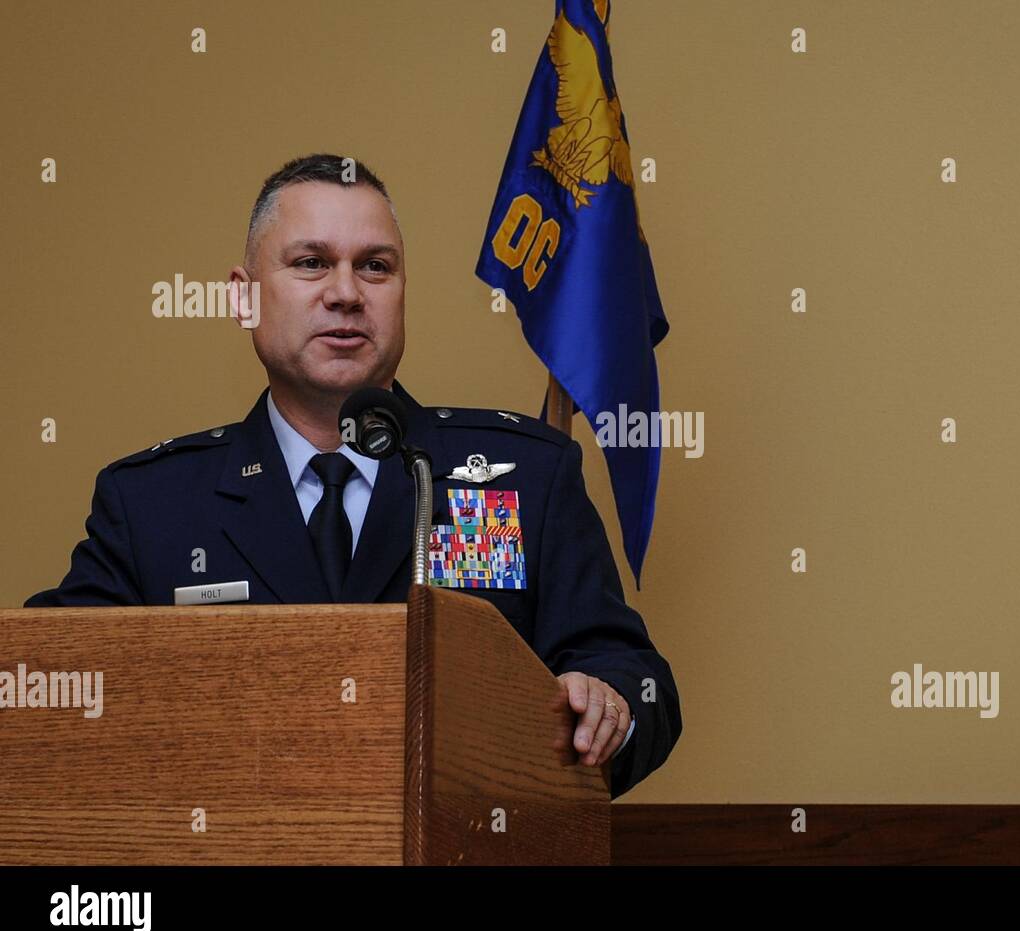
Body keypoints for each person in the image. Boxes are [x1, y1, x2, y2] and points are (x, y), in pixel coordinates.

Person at [25, 154, 681, 798]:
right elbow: (44, 680)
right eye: (311, 263)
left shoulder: (527, 476)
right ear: (244, 297)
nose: (345, 292)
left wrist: (609, 704)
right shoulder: (154, 504)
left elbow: (635, 677)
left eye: (375, 266)